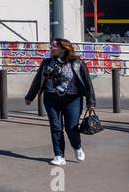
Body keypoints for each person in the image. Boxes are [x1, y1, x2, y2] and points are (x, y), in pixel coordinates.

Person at [24, 38, 96, 166]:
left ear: (63, 48)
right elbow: (37, 80)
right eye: (51, 46)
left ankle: (77, 146)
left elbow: (87, 82)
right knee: (56, 127)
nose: (51, 48)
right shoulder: (47, 63)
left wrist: (91, 101)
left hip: (72, 99)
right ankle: (59, 156)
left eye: (54, 46)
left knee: (71, 128)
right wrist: (30, 96)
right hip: (51, 99)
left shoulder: (77, 63)